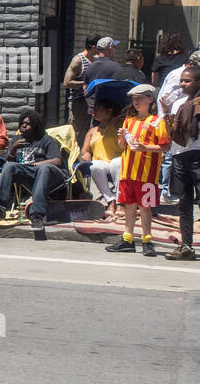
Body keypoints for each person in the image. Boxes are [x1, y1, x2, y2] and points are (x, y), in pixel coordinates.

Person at [0, 109, 67, 230]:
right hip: (29, 176)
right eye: (22, 123)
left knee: (44, 168)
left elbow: (57, 160)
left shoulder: (46, 140)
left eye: (28, 124)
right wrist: (13, 148)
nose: (23, 126)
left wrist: (38, 164)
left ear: (36, 126)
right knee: (8, 166)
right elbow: (7, 160)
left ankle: (37, 215)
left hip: (51, 177)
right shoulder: (17, 139)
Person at [105, 84, 168, 257]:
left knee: (145, 207)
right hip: (127, 171)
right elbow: (121, 146)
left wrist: (144, 147)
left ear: (150, 99)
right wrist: (122, 137)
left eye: (140, 98)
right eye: (134, 99)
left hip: (147, 173)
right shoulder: (128, 121)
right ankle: (128, 238)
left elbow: (165, 147)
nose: (136, 102)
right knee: (129, 206)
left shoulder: (156, 121)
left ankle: (147, 239)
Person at [161, 61, 200, 260]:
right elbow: (171, 134)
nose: (183, 84)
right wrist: (166, 112)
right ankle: (186, 246)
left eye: (188, 81)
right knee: (184, 204)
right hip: (179, 156)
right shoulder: (178, 103)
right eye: (182, 81)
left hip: (198, 156)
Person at [76, 99, 124, 219]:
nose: (93, 113)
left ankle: (121, 202)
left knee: (116, 163)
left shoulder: (118, 126)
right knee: (95, 166)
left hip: (117, 161)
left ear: (109, 112)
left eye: (97, 110)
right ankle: (110, 201)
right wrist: (86, 155)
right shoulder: (93, 131)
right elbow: (85, 150)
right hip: (101, 162)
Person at [62, 34, 99, 145]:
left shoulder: (97, 60)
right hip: (79, 103)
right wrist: (87, 84)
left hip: (93, 103)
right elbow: (67, 83)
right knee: (77, 132)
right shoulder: (78, 60)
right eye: (99, 47)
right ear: (93, 47)